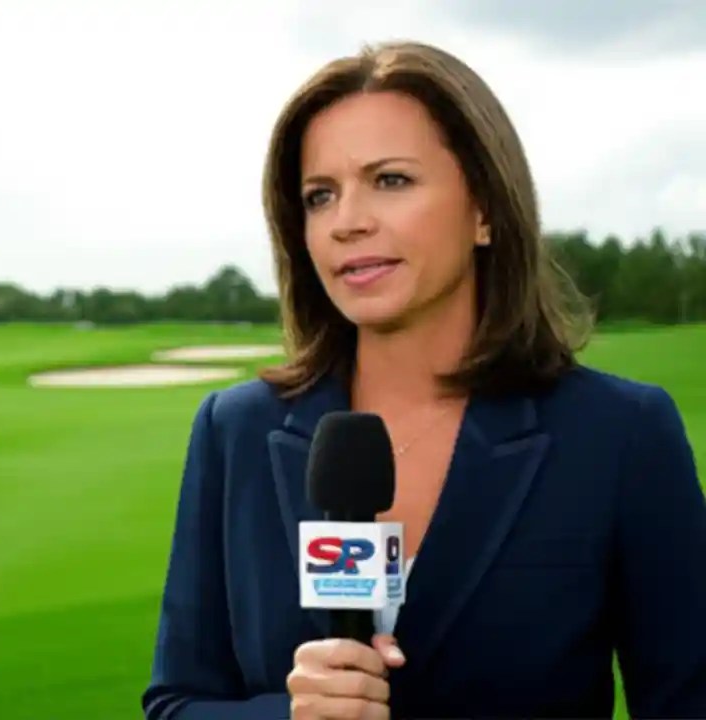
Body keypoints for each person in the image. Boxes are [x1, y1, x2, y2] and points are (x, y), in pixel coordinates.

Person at [141, 40, 706, 719]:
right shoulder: (235, 430)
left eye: (391, 181)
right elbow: (176, 703)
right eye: (320, 196)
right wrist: (288, 716)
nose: (348, 221)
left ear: (485, 210)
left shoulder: (619, 435)